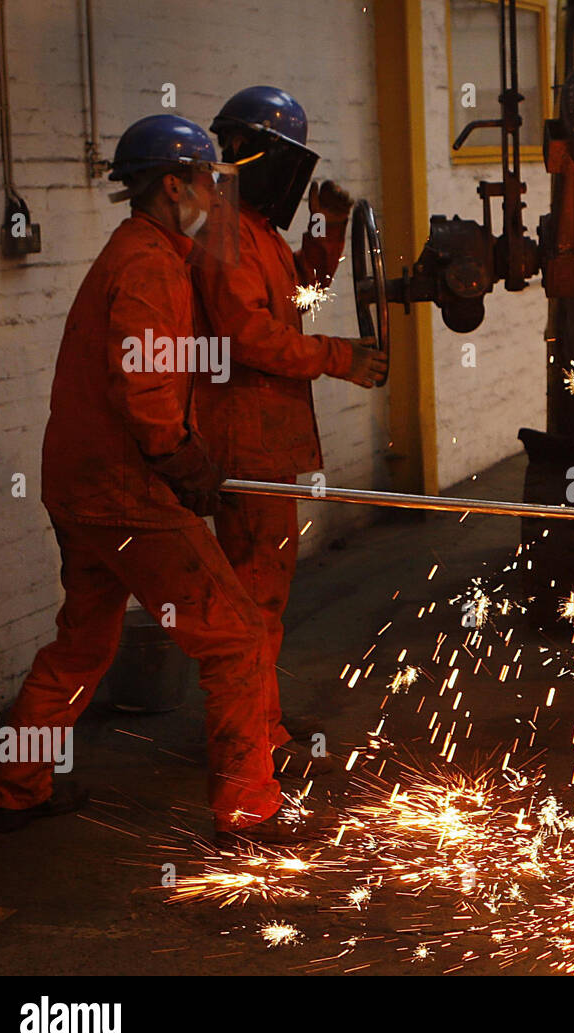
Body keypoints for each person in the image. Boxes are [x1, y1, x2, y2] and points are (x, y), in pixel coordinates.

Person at [0, 116, 298, 841]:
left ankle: (15, 788)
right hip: (125, 494)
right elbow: (146, 388)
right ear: (171, 183)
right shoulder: (151, 263)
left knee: (83, 644)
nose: (213, 194)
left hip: (80, 486)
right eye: (206, 180)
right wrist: (183, 463)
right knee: (237, 635)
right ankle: (249, 810)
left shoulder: (136, 251)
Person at [192, 86, 386, 755]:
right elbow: (248, 335)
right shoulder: (224, 235)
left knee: (264, 602)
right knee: (251, 605)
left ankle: (260, 726)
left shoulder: (258, 234)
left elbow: (300, 297)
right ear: (263, 156)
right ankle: (245, 743)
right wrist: (340, 358)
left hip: (266, 445)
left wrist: (328, 232)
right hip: (243, 449)